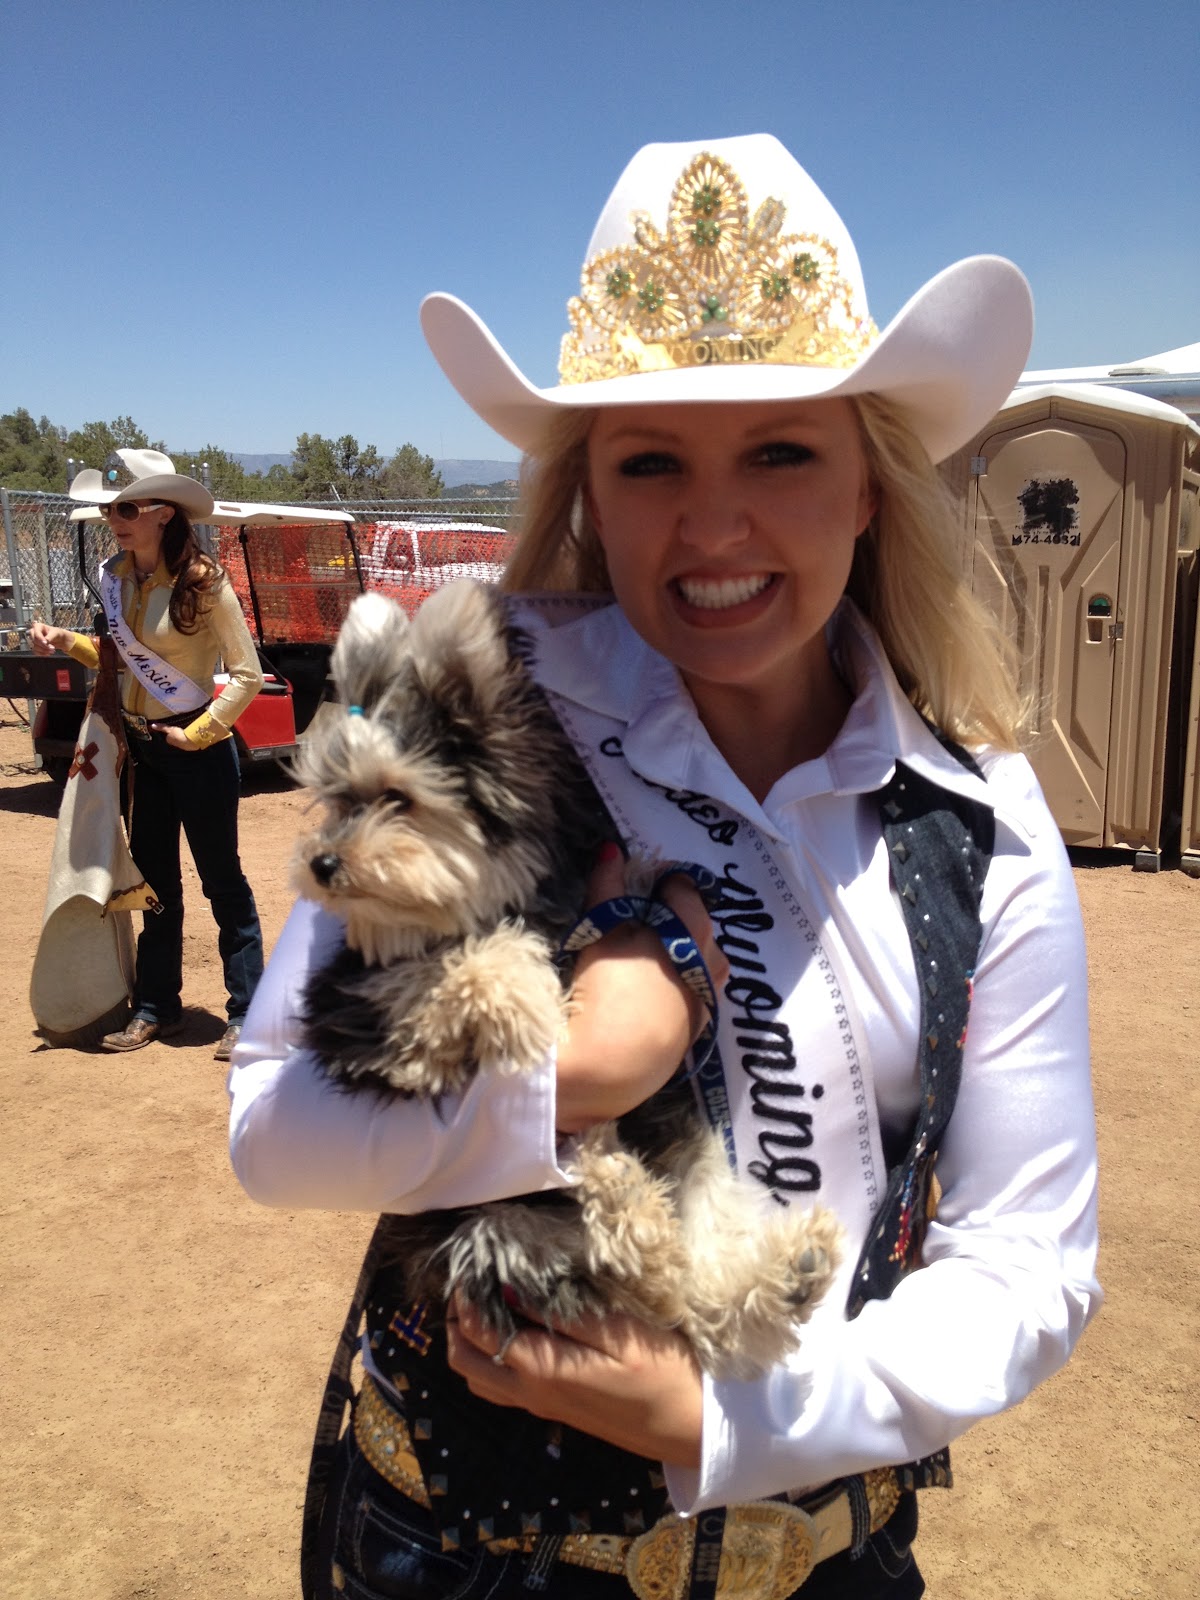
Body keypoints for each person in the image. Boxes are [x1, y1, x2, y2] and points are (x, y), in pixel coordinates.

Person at [228, 135, 1101, 1598]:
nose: (711, 527)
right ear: (589, 492)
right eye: (649, 463)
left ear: (870, 483)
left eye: (780, 450)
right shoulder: (495, 715)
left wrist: (731, 1420)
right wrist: (573, 1071)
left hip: (816, 1558)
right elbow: (274, 1124)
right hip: (461, 1552)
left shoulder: (980, 825)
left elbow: (1031, 1264)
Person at [31, 449, 266, 1060]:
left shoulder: (204, 583)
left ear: (164, 513)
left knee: (223, 884)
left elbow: (246, 675)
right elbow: (113, 655)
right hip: (144, 749)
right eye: (111, 507)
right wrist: (69, 642)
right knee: (154, 883)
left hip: (196, 748)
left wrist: (202, 733)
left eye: (128, 506)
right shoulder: (115, 578)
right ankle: (157, 1007)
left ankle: (248, 1013)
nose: (115, 517)